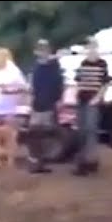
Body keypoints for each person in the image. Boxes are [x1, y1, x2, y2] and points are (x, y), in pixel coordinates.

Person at [72, 37, 109, 176]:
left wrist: (98, 97)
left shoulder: (101, 64)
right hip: (82, 98)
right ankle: (82, 161)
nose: (90, 50)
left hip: (93, 99)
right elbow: (79, 81)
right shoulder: (83, 63)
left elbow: (105, 83)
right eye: (88, 48)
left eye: (92, 47)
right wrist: (76, 94)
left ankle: (91, 161)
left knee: (90, 130)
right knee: (81, 131)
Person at [26, 39, 63, 174]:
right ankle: (35, 162)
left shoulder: (51, 65)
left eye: (45, 49)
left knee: (43, 134)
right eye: (41, 49)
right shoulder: (37, 66)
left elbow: (59, 83)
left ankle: (39, 162)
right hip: (39, 103)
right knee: (35, 134)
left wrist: (58, 99)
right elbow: (31, 86)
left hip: (48, 103)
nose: (43, 52)